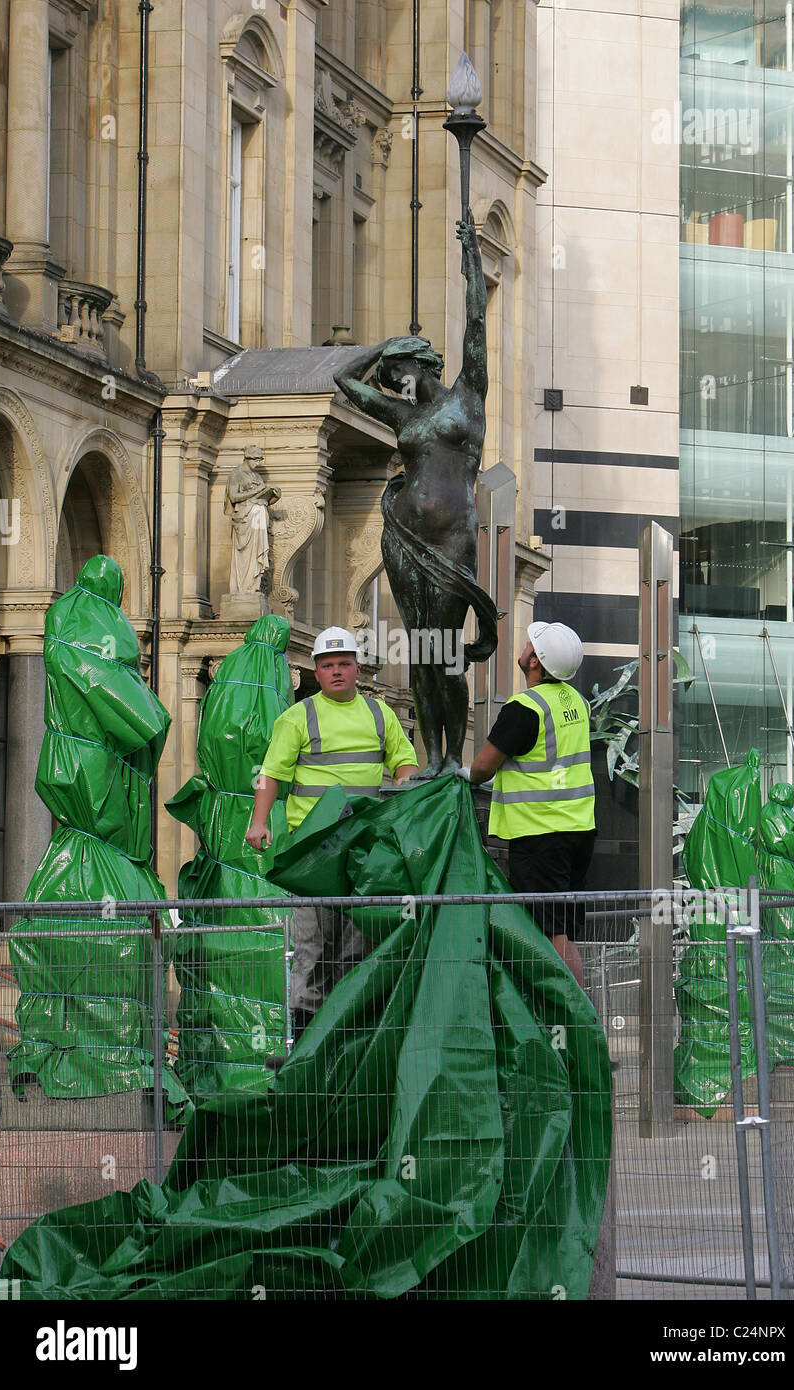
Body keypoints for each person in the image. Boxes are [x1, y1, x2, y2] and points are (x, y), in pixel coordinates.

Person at [333, 210, 499, 779]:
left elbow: (476, 318)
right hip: (404, 540)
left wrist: (472, 256)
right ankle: (433, 760)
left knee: (447, 653)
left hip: (450, 542)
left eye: (396, 369)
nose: (389, 380)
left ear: (420, 363)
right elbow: (345, 382)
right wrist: (380, 347)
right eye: (389, 373)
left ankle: (455, 758)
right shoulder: (403, 413)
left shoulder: (466, 396)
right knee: (423, 655)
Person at [246, 626, 418, 1025]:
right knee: (313, 948)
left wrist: (408, 783)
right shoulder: (298, 717)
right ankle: (308, 1050)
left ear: (358, 668)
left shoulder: (380, 714)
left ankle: (349, 1041)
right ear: (317, 672)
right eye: (327, 665)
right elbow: (271, 775)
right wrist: (258, 823)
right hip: (315, 853)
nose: (336, 671)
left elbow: (405, 764)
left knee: (359, 948)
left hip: (364, 849)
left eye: (344, 663)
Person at [459, 622, 595, 987]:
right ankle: (571, 1022)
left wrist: (459, 773)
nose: (523, 648)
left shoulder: (525, 706)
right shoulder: (577, 703)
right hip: (577, 829)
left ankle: (572, 1021)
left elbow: (484, 766)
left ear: (535, 661)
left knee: (548, 934)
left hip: (540, 834)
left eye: (529, 645)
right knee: (560, 930)